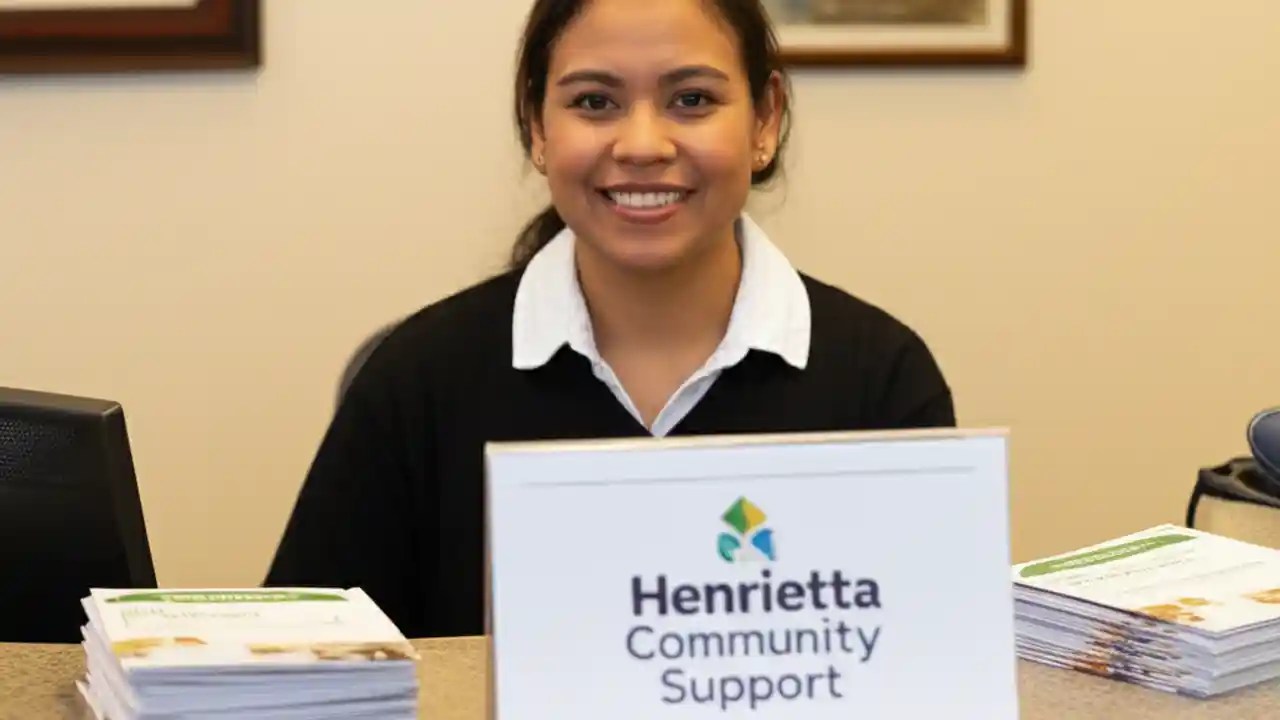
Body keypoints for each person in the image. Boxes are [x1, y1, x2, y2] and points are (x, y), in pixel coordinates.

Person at [265, 0, 955, 639]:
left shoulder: (882, 383)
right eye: (595, 102)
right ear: (537, 127)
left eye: (692, 100)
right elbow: (293, 685)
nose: (643, 144)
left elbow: (935, 669)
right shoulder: (415, 383)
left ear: (765, 120)